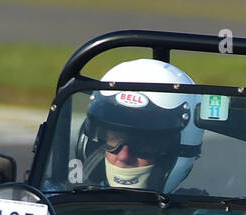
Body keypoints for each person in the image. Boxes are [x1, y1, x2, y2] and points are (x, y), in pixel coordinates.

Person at [77, 59, 204, 191]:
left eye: (143, 143)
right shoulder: (62, 206)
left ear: (175, 152)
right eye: (114, 138)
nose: (123, 157)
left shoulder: (199, 211)